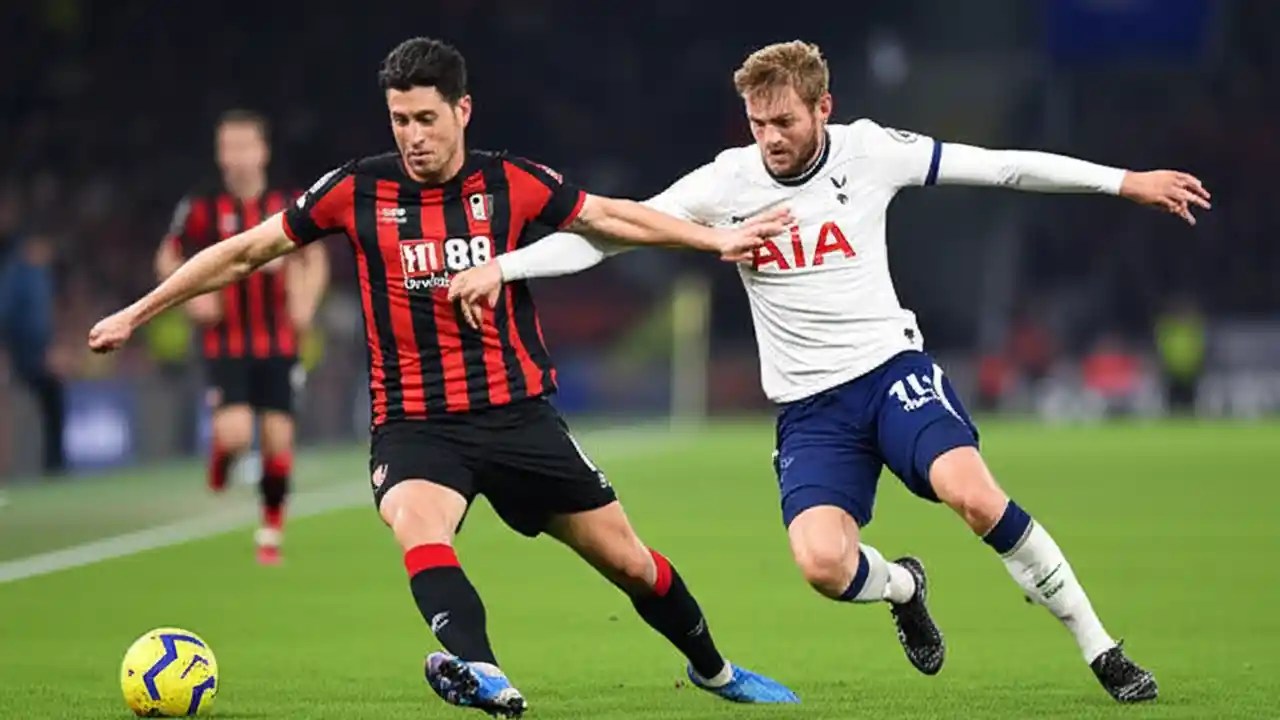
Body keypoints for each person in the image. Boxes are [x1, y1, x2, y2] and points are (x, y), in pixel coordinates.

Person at [449, 40, 1214, 704]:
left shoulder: (870, 150)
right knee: (821, 565)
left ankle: (1101, 648)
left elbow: (1003, 168)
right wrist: (506, 267)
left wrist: (1126, 181)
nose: (771, 139)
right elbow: (606, 234)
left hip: (890, 372)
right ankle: (906, 587)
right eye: (757, 123)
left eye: (785, 121)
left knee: (972, 495)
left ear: (824, 108)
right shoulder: (726, 183)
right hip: (811, 410)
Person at [90, 37, 797, 717]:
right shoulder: (356, 188)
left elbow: (610, 217)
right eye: (400, 120)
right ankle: (485, 673)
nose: (412, 136)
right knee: (417, 524)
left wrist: (715, 240)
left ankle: (717, 672)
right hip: (416, 425)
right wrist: (136, 313)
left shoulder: (508, 181)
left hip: (519, 415)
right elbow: (247, 252)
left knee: (630, 564)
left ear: (462, 111)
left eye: (426, 118)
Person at [155, 109, 330, 565]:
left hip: (279, 342)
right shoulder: (201, 206)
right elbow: (168, 257)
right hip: (226, 342)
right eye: (227, 148)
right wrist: (193, 300)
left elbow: (315, 259)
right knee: (234, 435)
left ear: (263, 151)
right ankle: (222, 461)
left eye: (244, 146)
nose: (236, 157)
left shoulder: (290, 202)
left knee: (277, 439)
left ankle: (270, 534)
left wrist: (305, 304)